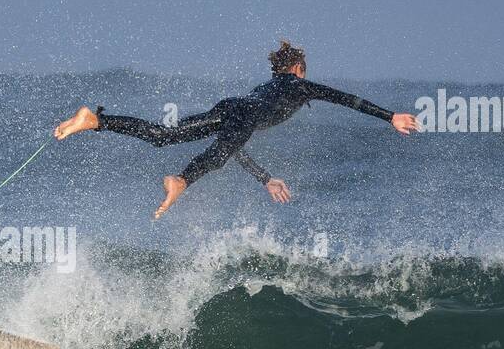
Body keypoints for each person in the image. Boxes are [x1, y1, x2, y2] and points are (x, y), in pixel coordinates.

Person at [53, 41, 419, 218]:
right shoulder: (299, 86)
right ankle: (181, 180)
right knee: (217, 156)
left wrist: (264, 178)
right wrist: (389, 117)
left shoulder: (263, 89)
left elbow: (232, 141)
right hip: (240, 115)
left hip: (231, 107)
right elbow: (345, 98)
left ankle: (97, 120)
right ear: (299, 70)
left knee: (162, 136)